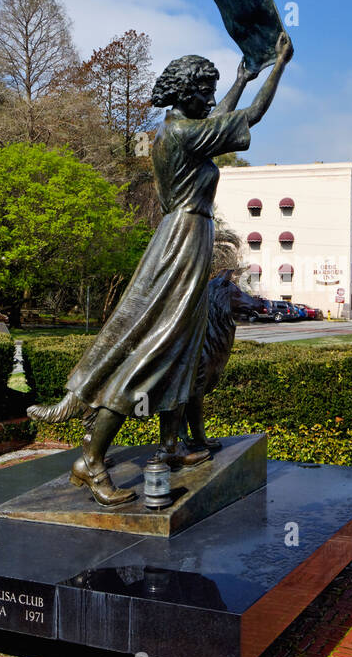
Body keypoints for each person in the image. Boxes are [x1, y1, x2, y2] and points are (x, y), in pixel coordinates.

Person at [28, 33, 293, 506]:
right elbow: (247, 118)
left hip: (187, 239)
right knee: (155, 348)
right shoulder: (182, 135)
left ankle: (170, 446)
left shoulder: (181, 128)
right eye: (205, 89)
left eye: (214, 90)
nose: (211, 98)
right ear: (184, 92)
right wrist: (279, 68)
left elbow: (219, 119)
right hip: (183, 244)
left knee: (184, 345)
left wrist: (238, 79)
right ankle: (91, 459)